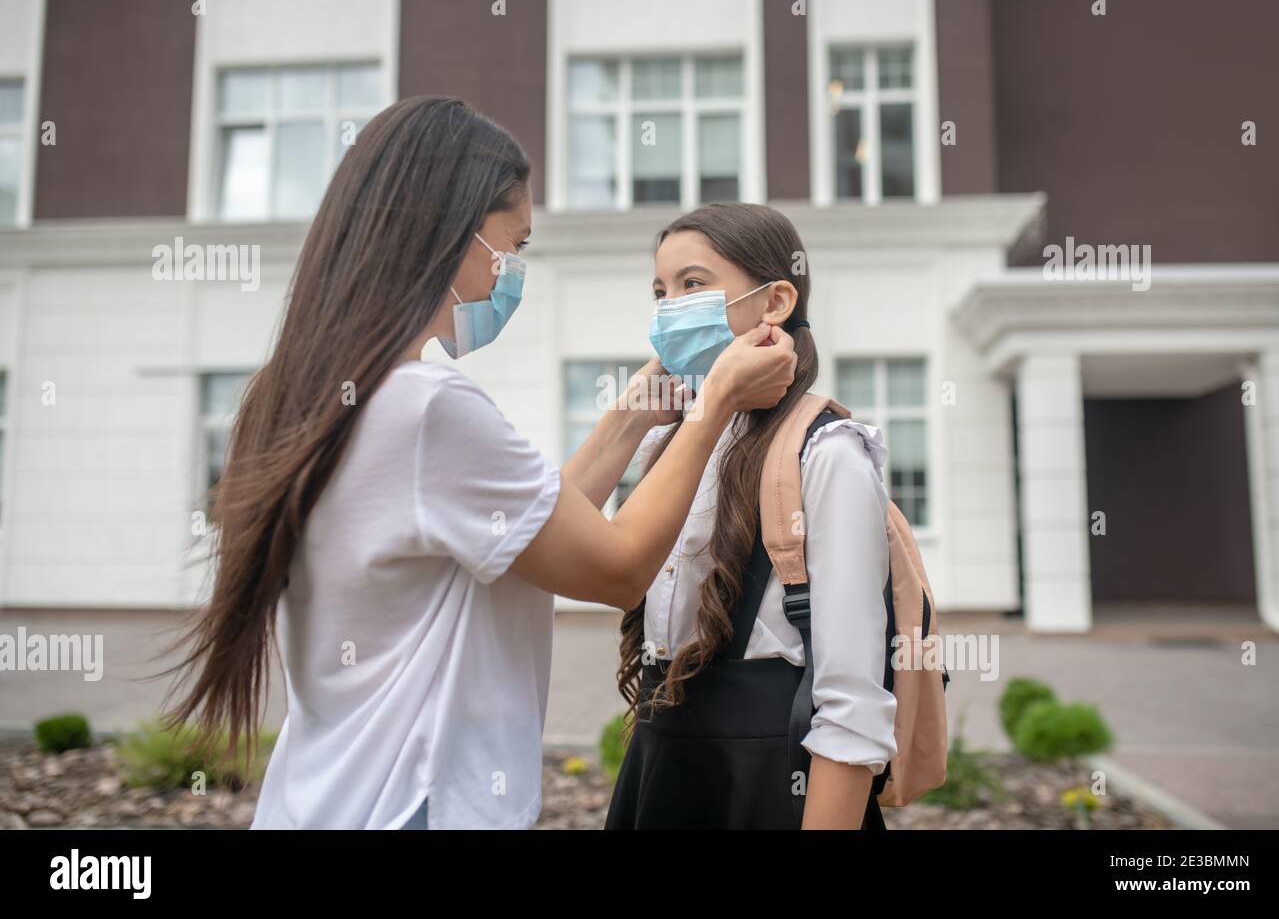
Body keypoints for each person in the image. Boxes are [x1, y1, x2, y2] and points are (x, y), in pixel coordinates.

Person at [159, 97, 796, 829]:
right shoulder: (427, 409)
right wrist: (712, 404)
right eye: (513, 244)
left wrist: (634, 415)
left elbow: (529, 527)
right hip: (414, 806)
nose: (513, 271)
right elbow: (616, 567)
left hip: (325, 800)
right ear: (455, 234)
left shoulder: (311, 394)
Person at [602, 202, 898, 829]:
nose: (669, 308)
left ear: (776, 301)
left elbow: (850, 704)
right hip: (662, 768)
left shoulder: (827, 451)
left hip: (766, 781)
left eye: (693, 284)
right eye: (660, 291)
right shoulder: (668, 444)